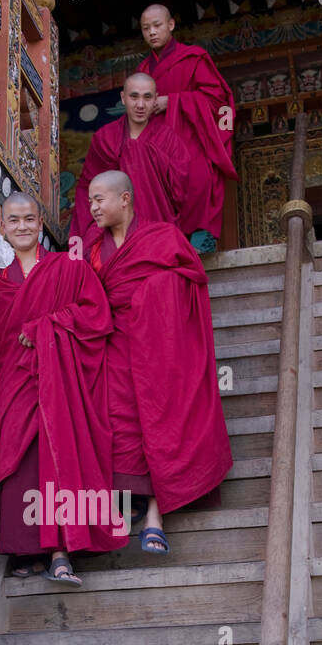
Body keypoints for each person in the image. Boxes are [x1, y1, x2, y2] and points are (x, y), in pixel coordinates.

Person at [87, 170, 233, 553]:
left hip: (161, 346)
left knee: (162, 420)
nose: (93, 208)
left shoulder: (163, 237)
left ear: (125, 199)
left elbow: (191, 280)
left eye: (100, 199)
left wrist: (153, 297)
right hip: (115, 344)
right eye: (89, 201)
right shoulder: (92, 250)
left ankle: (155, 515)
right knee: (121, 421)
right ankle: (125, 504)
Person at [0, 192, 130, 586]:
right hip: (17, 382)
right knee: (20, 457)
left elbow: (97, 316)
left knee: (57, 454)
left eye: (29, 219)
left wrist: (46, 328)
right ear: (2, 227)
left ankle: (60, 549)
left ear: (41, 224)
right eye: (13, 220)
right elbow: (5, 341)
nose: (22, 226)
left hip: (61, 379)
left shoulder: (69, 267)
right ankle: (28, 547)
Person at [138, 3, 237, 255]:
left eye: (157, 25)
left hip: (191, 138)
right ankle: (169, 246)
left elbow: (218, 100)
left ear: (170, 25)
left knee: (197, 180)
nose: (152, 32)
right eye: (146, 28)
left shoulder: (193, 58)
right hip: (157, 144)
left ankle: (199, 240)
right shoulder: (142, 71)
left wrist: (173, 101)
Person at [69, 72, 189, 253]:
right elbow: (87, 187)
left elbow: (180, 190)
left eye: (147, 97)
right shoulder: (105, 138)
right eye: (134, 96)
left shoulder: (168, 139)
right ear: (123, 98)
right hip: (114, 229)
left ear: (155, 99)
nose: (140, 105)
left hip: (157, 226)